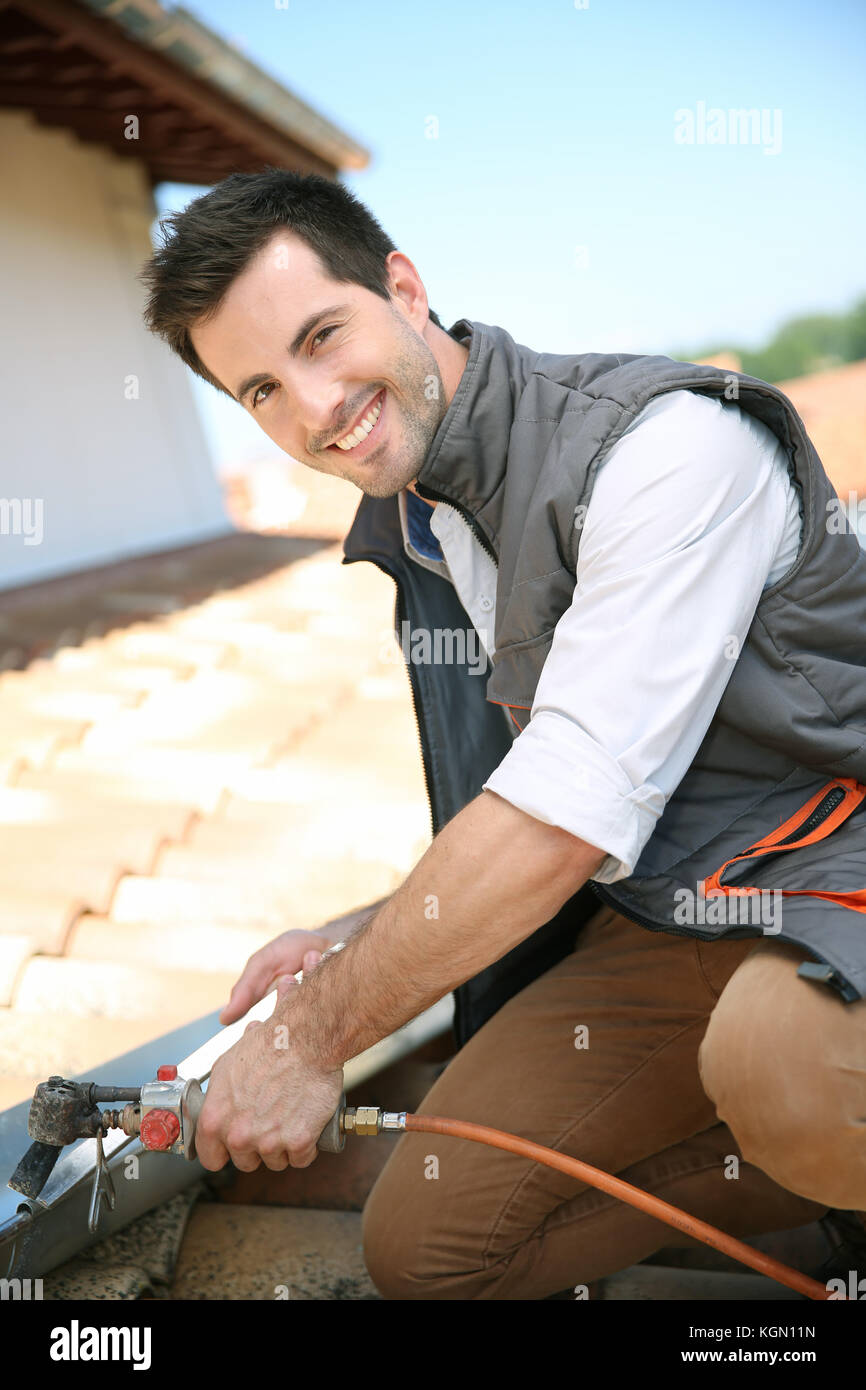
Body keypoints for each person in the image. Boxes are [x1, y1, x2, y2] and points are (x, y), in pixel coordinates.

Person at [140, 169, 866, 1300]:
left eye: (323, 337)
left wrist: (311, 1037)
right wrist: (365, 931)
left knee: (782, 1065)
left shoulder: (664, 449)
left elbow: (559, 817)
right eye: (260, 391)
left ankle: (815, 1153)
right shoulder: (416, 521)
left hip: (831, 875)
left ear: (403, 285)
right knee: (428, 1250)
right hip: (659, 911)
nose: (314, 407)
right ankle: (802, 1193)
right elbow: (531, 788)